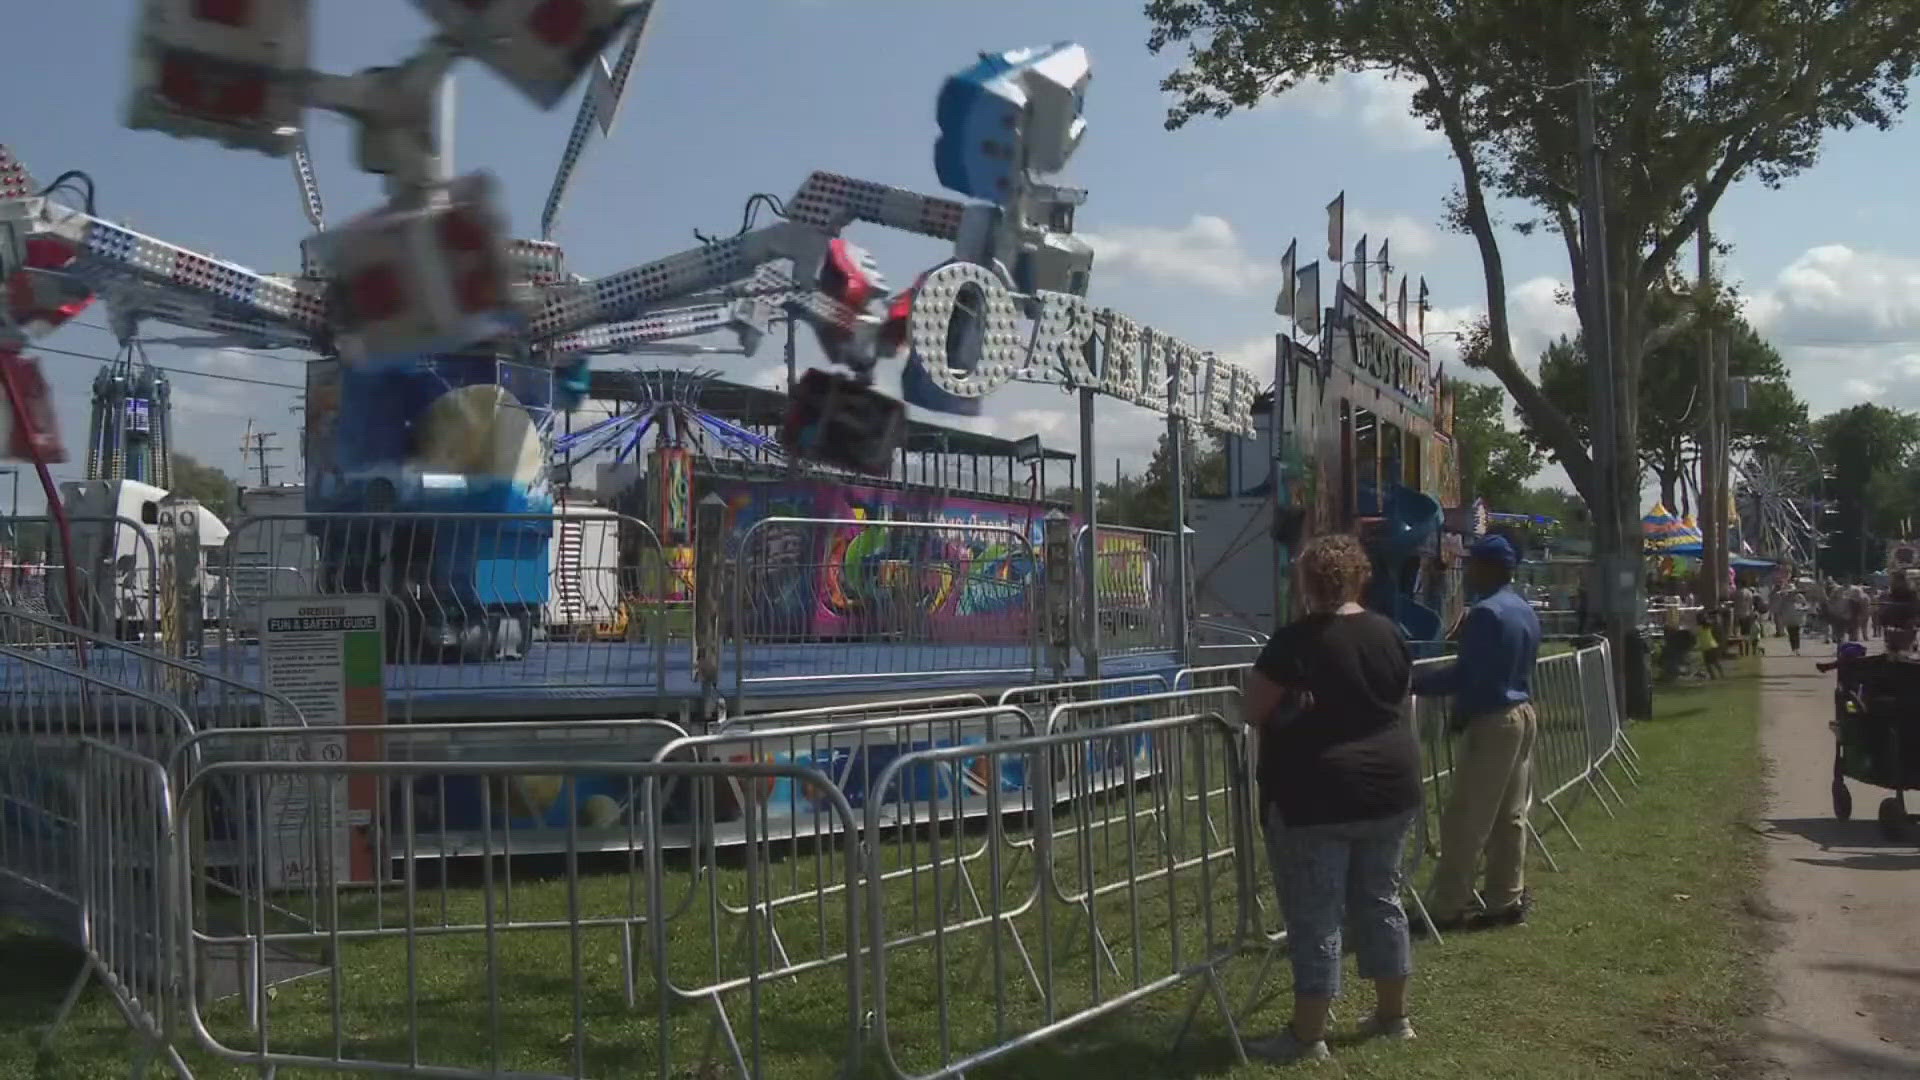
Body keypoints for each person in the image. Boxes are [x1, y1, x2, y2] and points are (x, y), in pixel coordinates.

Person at [1240, 533, 1420, 1064]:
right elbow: (1398, 697)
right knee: (1381, 899)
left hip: (1317, 794)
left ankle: (1307, 1035)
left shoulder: (1294, 643)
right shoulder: (1390, 633)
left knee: (1316, 913)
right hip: (1391, 786)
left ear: (1306, 583)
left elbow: (1252, 709)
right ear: (1360, 577)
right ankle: (1394, 1016)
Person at [1412, 534, 1541, 932]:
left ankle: (1447, 907)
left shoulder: (1485, 613)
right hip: (1521, 712)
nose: (1467, 571)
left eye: (1473, 564)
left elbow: (1467, 674)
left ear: (1489, 567)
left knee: (1467, 818)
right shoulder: (1522, 608)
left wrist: (1414, 682)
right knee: (1510, 816)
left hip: (1493, 719)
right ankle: (1506, 898)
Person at [1779, 582, 1807, 655]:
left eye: (1792, 591)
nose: (1791, 593)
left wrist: (1801, 609)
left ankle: (1797, 649)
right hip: (1789, 618)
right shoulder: (1785, 598)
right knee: (1791, 634)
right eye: (1789, 591)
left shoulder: (1799, 597)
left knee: (1796, 634)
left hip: (1797, 618)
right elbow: (1781, 608)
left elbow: (1805, 605)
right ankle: (1793, 649)